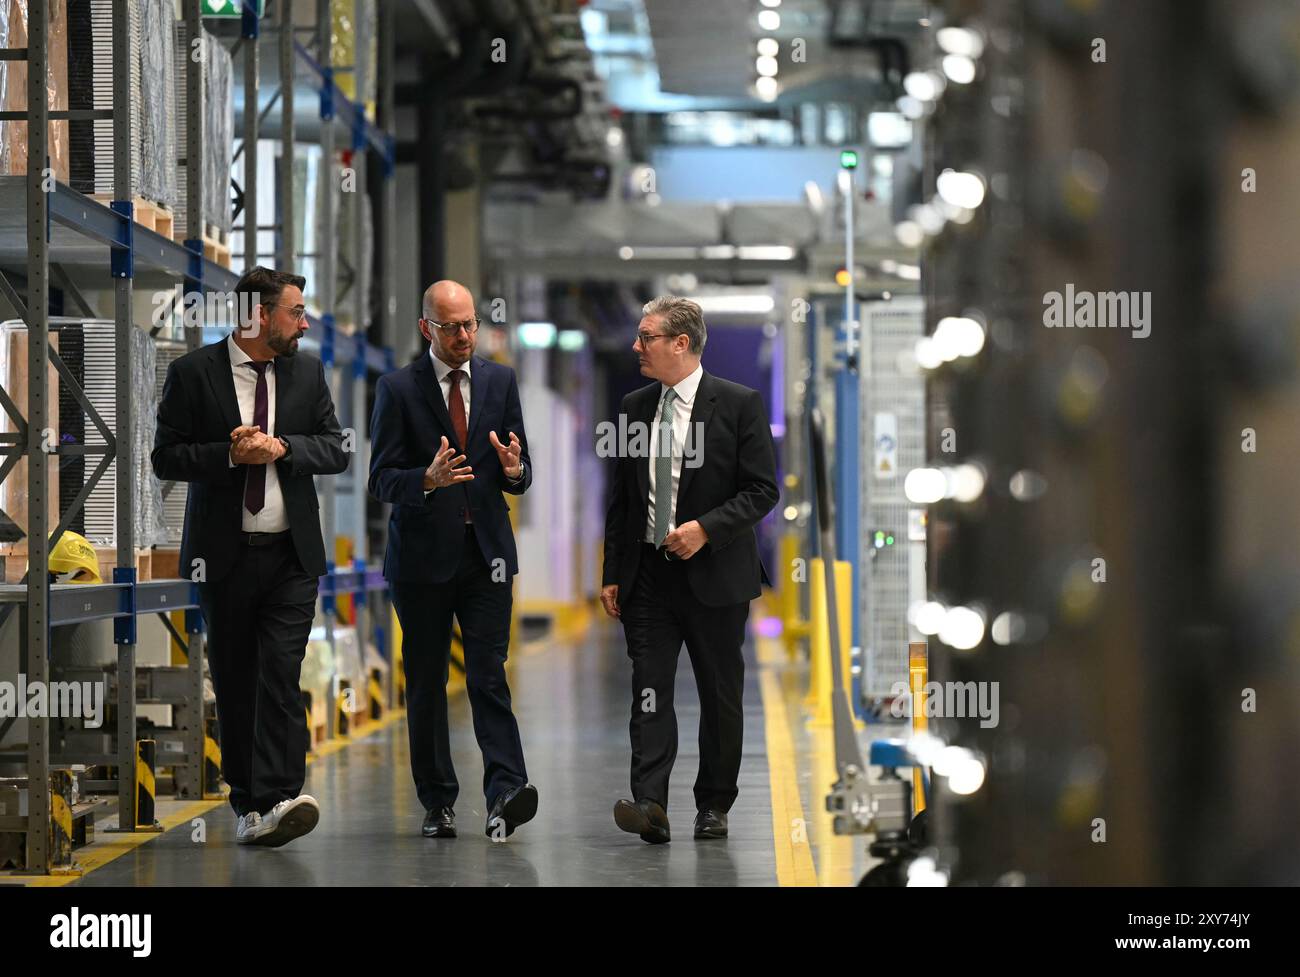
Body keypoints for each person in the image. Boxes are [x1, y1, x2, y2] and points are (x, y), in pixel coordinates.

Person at [152, 266, 348, 847]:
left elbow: (336, 448)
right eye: (294, 312)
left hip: (292, 555)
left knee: (281, 673)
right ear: (258, 316)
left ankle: (284, 795)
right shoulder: (193, 374)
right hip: (224, 556)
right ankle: (248, 804)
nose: (304, 322)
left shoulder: (307, 374)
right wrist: (230, 457)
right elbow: (167, 458)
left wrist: (282, 447)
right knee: (239, 680)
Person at [601, 296, 779, 844]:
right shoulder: (633, 406)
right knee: (648, 688)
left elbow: (761, 490)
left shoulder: (738, 404)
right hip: (649, 576)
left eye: (646, 337)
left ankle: (714, 805)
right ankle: (650, 802)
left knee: (719, 694)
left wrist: (705, 529)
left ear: (681, 343)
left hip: (714, 574)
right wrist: (613, 570)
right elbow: (623, 498)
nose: (635, 347)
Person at [368, 279, 538, 841]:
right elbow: (381, 479)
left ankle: (506, 792)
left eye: (471, 324)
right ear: (426, 328)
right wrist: (426, 479)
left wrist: (515, 470)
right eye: (452, 327)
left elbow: (520, 470)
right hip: (421, 563)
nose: (465, 335)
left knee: (490, 675)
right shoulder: (397, 389)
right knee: (426, 681)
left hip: (487, 557)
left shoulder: (500, 381)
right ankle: (438, 802)